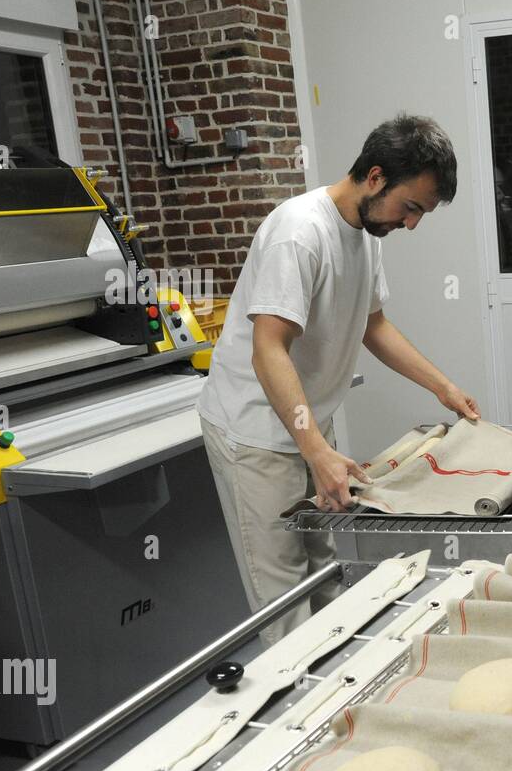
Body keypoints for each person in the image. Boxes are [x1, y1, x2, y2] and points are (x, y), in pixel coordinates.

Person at [198, 113, 480, 643]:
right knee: (283, 592)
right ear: (375, 177)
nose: (413, 224)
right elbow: (268, 350)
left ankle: (339, 688)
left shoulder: (367, 232)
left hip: (306, 422)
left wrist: (442, 386)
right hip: (256, 434)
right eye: (411, 207)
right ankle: (304, 711)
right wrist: (316, 450)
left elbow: (373, 325)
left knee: (326, 567)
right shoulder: (299, 233)